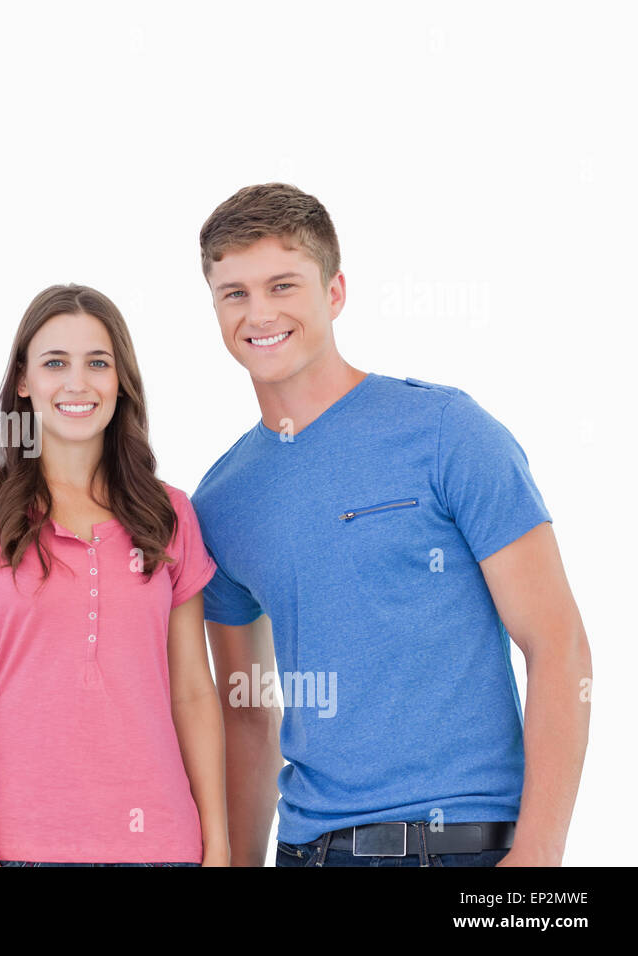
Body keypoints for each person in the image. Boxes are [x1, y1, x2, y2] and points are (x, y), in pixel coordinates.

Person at [191, 183, 592, 867]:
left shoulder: (445, 432)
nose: (259, 313)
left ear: (335, 291)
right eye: (235, 293)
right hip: (308, 852)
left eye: (283, 285)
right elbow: (247, 713)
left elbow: (558, 647)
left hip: (467, 849)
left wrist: (538, 857)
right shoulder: (221, 501)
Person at [0, 283, 229, 866]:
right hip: (15, 849)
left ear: (120, 382)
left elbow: (192, 692)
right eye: (55, 362)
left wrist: (219, 845)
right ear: (25, 381)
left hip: (163, 847)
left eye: (98, 363)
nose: (77, 383)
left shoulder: (170, 512)